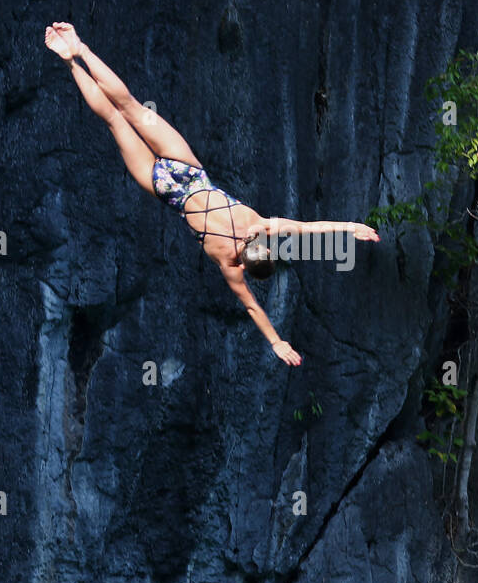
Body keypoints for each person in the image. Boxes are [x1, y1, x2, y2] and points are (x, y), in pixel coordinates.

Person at [44, 22, 380, 366]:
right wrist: (276, 341)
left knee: (130, 107)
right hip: (166, 189)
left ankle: (80, 48)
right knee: (115, 121)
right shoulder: (229, 266)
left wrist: (351, 227)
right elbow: (251, 306)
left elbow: (310, 229)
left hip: (188, 170)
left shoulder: (257, 224)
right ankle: (69, 63)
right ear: (247, 267)